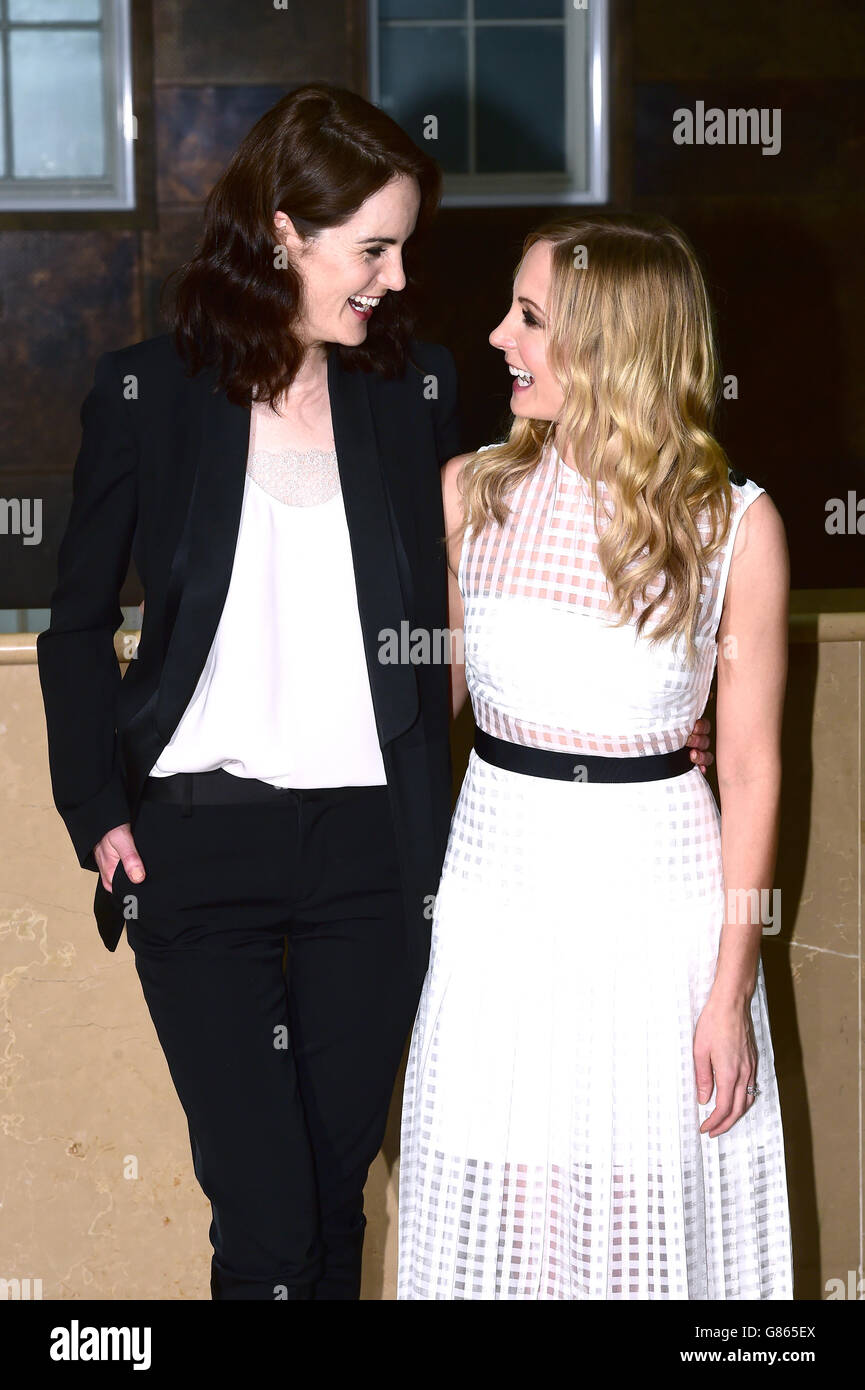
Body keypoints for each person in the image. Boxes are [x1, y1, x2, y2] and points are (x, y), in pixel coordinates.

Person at [37, 83, 713, 1301]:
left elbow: (561, 513)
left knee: (336, 1196)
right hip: (195, 844)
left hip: (373, 854)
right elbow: (76, 622)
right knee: (265, 1212)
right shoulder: (147, 393)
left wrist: (656, 690)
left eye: (403, 248)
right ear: (287, 231)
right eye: (375, 248)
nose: (398, 279)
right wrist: (97, 808)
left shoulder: (416, 393)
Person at [398, 214, 793, 1300]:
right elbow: (418, 715)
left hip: (653, 911)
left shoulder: (734, 526)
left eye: (528, 317)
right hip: (494, 900)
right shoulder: (468, 493)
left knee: (640, 1216)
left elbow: (753, 769)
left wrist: (728, 990)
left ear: (612, 345)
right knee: (506, 1209)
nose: (495, 336)